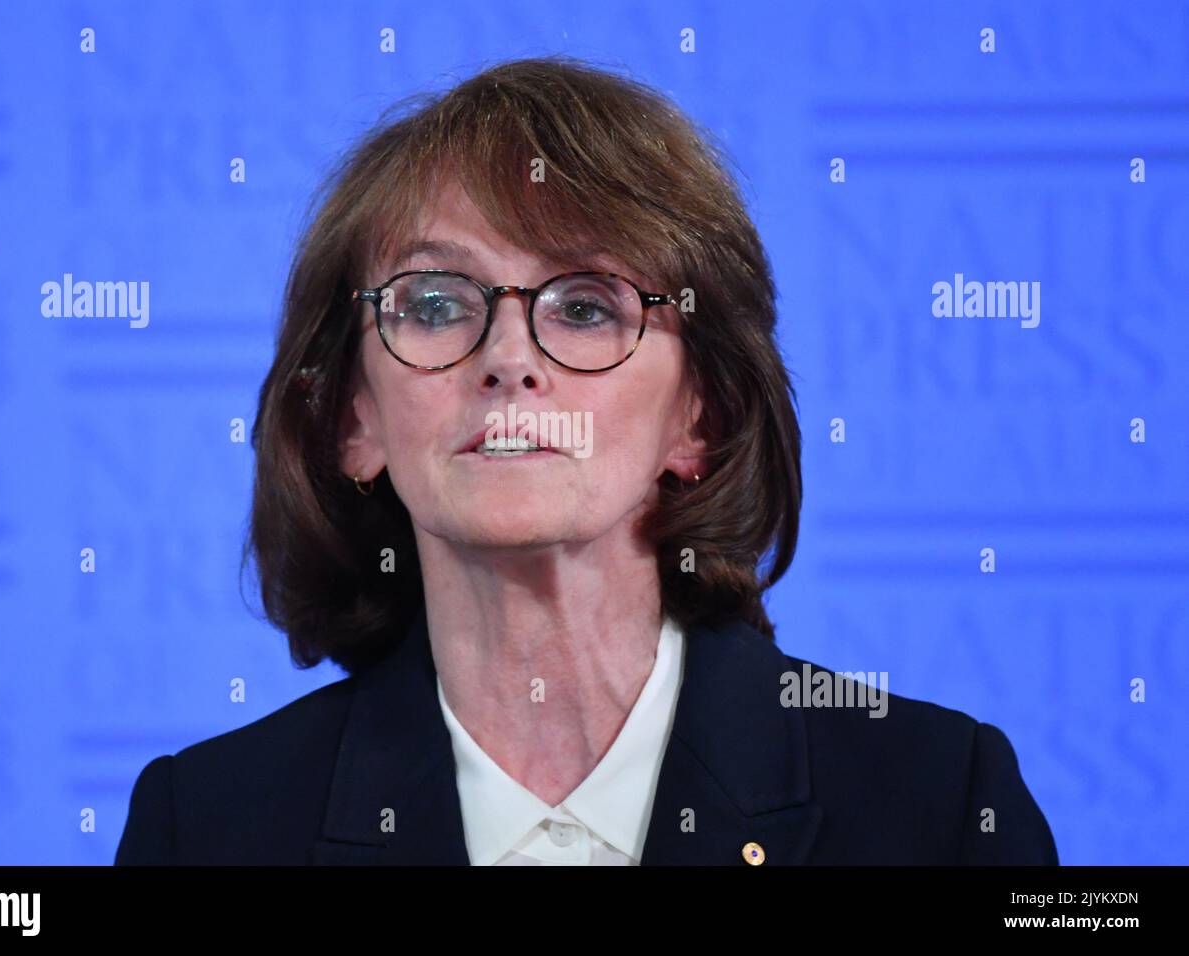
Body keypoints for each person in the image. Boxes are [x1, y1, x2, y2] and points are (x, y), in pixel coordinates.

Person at [115, 56, 1057, 865]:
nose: (509, 359)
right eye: (436, 305)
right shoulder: (206, 828)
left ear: (702, 415)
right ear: (353, 422)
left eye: (585, 306)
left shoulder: (936, 804)